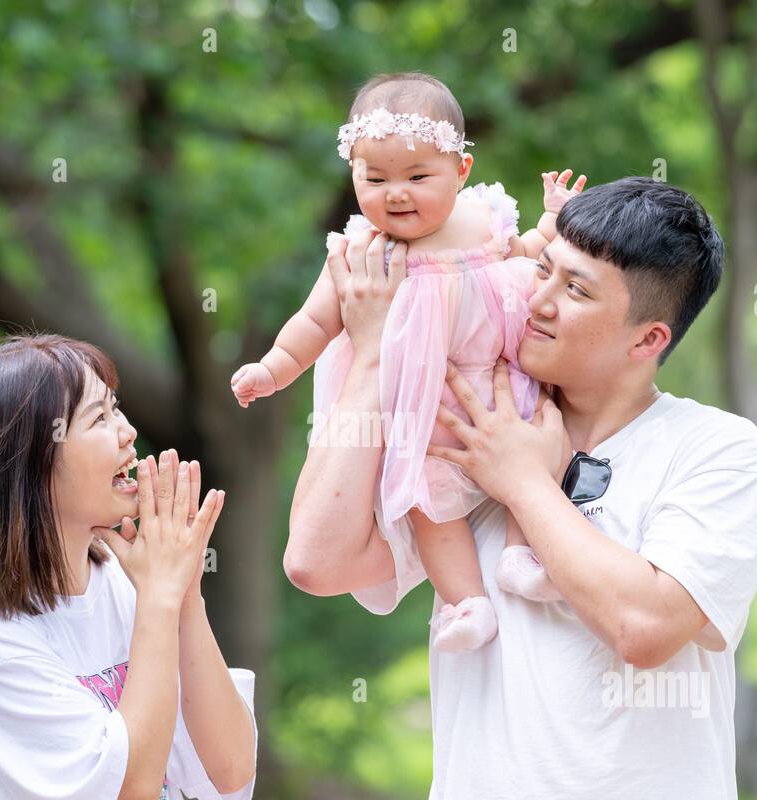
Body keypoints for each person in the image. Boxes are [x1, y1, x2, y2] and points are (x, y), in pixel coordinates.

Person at [285, 177, 757, 800]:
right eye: (541, 270)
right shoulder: (470, 426)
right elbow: (317, 559)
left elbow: (646, 627)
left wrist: (522, 482)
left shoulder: (715, 450)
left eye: (575, 290)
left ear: (649, 339)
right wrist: (372, 357)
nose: (536, 300)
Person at [231, 70, 584, 652]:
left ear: (461, 171)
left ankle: (524, 556)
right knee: (426, 502)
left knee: (539, 454)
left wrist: (552, 220)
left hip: (502, 385)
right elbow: (315, 322)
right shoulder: (359, 250)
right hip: (426, 420)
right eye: (375, 178)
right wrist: (272, 368)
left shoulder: (484, 218)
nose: (396, 193)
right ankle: (467, 604)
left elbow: (526, 253)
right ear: (353, 174)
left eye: (418, 177)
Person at [0, 334, 256, 800]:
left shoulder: (123, 580)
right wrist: (159, 600)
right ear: (28, 463)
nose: (129, 433)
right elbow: (132, 784)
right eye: (98, 420)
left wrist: (182, 598)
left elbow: (229, 764)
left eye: (117, 409)